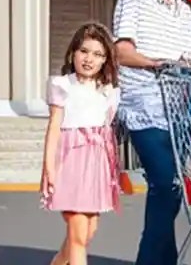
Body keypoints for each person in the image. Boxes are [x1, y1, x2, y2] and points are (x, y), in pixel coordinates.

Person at [113, 0, 191, 265]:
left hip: (179, 113)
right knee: (165, 183)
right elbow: (121, 51)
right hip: (144, 108)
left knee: (173, 189)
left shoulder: (184, 10)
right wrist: (156, 64)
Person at [40, 21, 122, 265]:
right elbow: (54, 126)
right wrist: (49, 169)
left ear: (105, 59)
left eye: (97, 54)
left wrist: (116, 172)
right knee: (77, 234)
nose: (89, 59)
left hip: (96, 166)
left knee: (87, 232)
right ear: (73, 52)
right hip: (70, 162)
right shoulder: (62, 85)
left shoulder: (108, 90)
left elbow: (109, 135)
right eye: (84, 51)